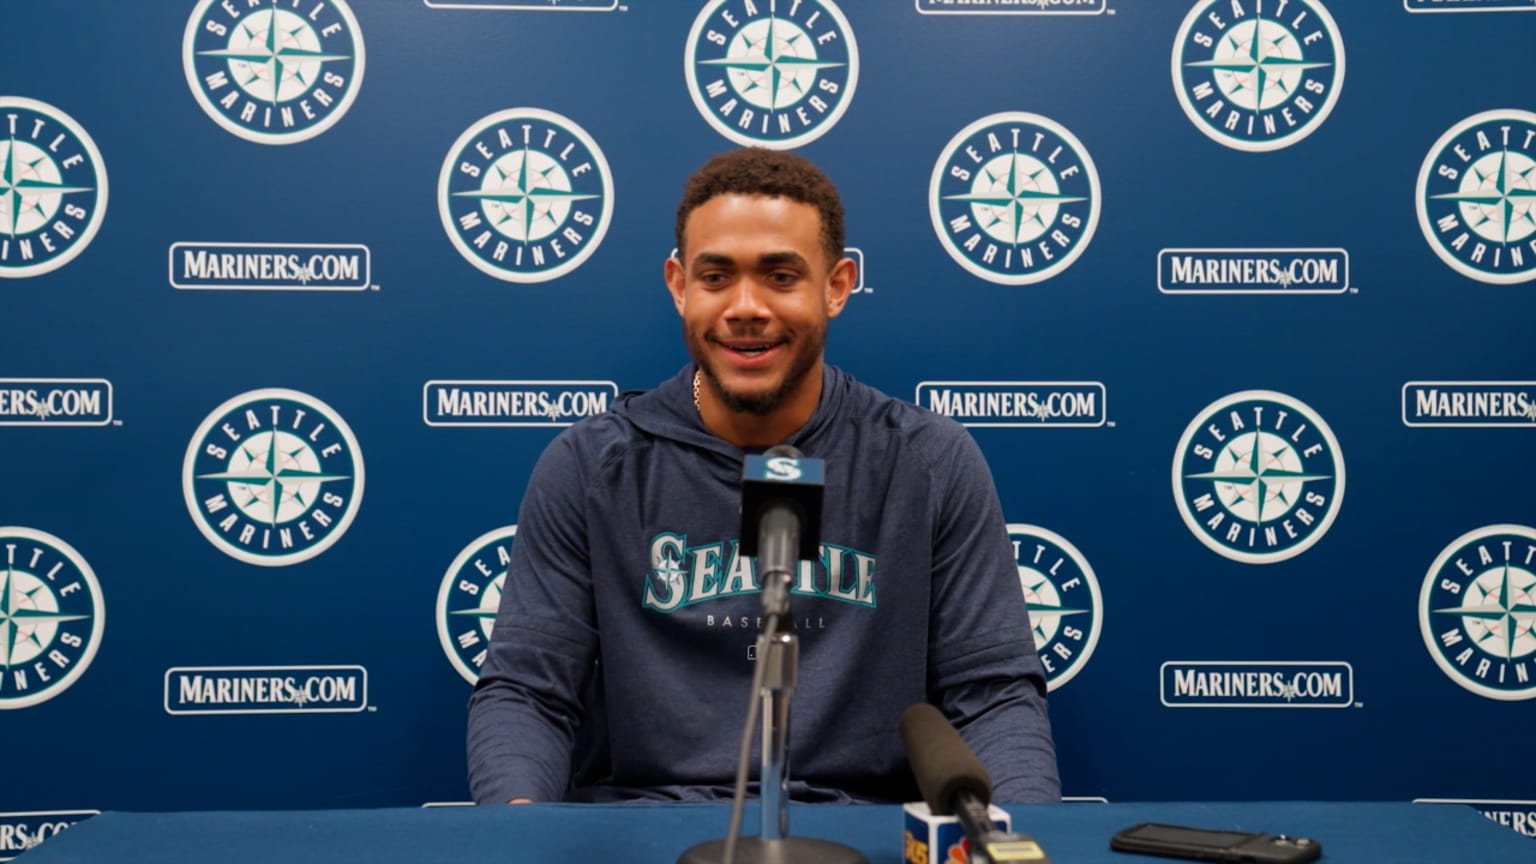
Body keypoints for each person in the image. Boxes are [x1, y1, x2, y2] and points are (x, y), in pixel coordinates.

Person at [466, 147, 1059, 805]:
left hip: (864, 834)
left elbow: (994, 697)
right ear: (679, 285)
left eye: (780, 276)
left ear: (836, 286)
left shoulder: (929, 461)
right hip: (651, 828)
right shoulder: (591, 466)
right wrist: (515, 834)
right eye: (716, 277)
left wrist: (1021, 840)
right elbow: (528, 694)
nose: (746, 307)